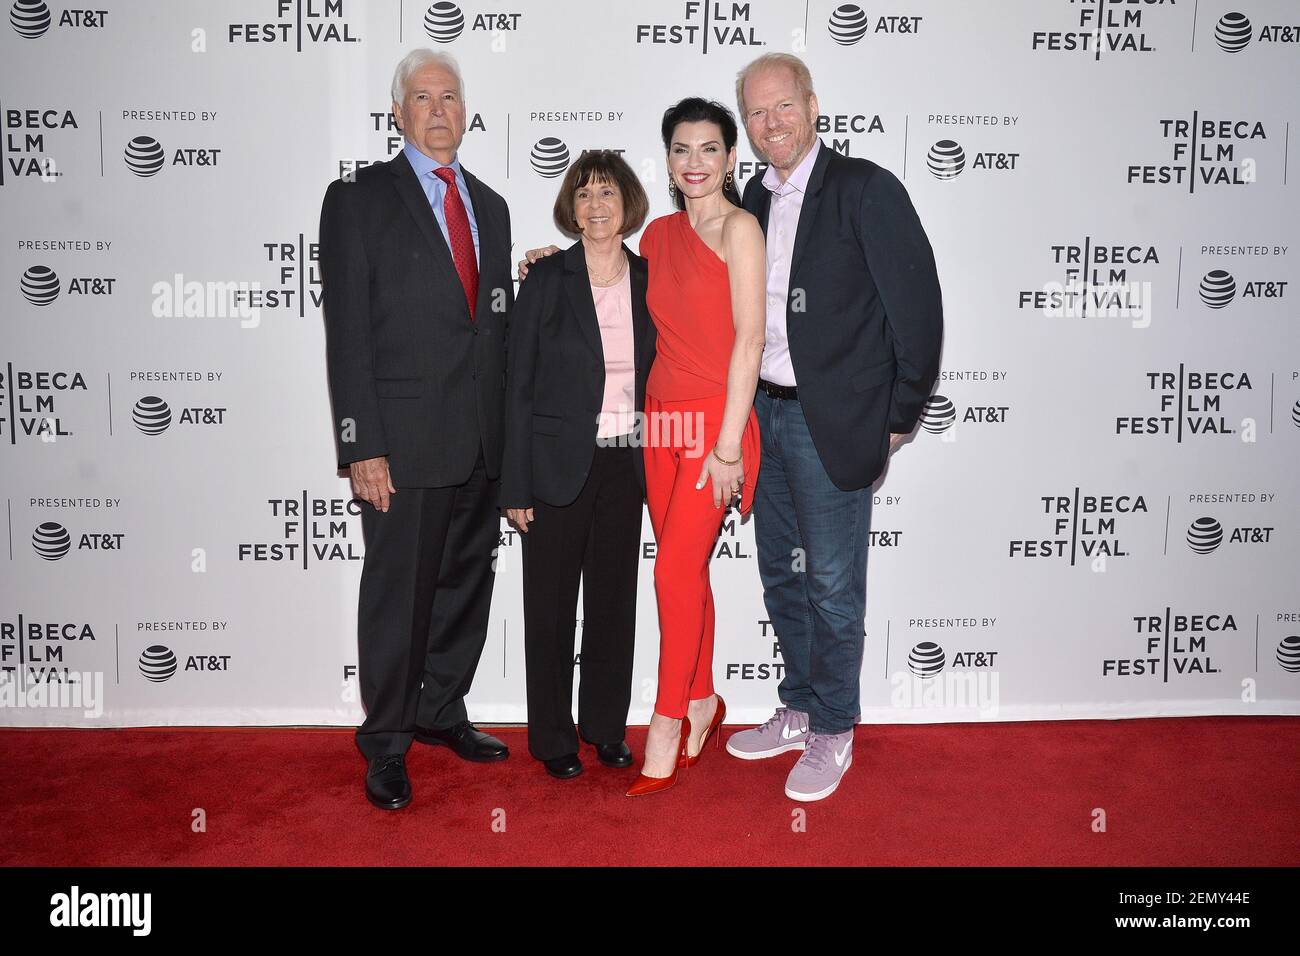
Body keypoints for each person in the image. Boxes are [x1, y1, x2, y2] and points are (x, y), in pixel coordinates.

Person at [725, 53, 943, 802]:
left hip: (833, 427)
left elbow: (918, 313)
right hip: (765, 417)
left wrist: (895, 420)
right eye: (756, 113)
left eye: (782, 106)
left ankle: (834, 729)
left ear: (813, 106)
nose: (771, 123)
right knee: (782, 576)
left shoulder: (865, 190)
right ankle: (799, 703)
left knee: (831, 584)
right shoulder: (748, 198)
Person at [319, 49, 514, 811]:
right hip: (400, 443)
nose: (438, 110)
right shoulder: (359, 199)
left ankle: (442, 711)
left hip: (479, 441)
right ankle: (388, 741)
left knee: (466, 587)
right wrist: (361, 443)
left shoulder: (491, 207)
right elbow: (349, 335)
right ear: (397, 113)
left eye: (451, 97)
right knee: (398, 597)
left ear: (466, 112)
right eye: (422, 98)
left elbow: (487, 326)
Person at [500, 151, 656, 780]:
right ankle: (553, 739)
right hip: (555, 464)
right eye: (585, 194)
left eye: (608, 194)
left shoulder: (651, 278)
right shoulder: (545, 279)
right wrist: (515, 484)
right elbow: (518, 387)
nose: (596, 205)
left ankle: (605, 728)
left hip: (626, 462)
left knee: (616, 603)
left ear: (628, 205)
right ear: (572, 207)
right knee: (552, 604)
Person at [626, 98, 766, 796]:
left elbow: (750, 340)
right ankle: (707, 699)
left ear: (731, 158)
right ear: (668, 161)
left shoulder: (741, 229)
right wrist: (549, 261)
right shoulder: (655, 235)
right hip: (660, 420)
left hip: (717, 424)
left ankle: (666, 720)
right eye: (682, 150)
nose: (695, 163)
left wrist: (731, 446)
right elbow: (611, 280)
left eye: (709, 149)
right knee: (687, 573)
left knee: (673, 573)